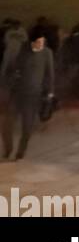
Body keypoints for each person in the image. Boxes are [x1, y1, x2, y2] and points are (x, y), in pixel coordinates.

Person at [2, 26, 54, 160]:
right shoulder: (23, 50)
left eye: (43, 42)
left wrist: (50, 92)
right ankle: (8, 150)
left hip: (33, 96)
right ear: (32, 42)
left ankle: (20, 153)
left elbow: (49, 75)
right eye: (39, 42)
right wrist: (13, 79)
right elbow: (13, 69)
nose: (42, 44)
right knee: (7, 125)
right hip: (17, 94)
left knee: (27, 128)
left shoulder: (47, 53)